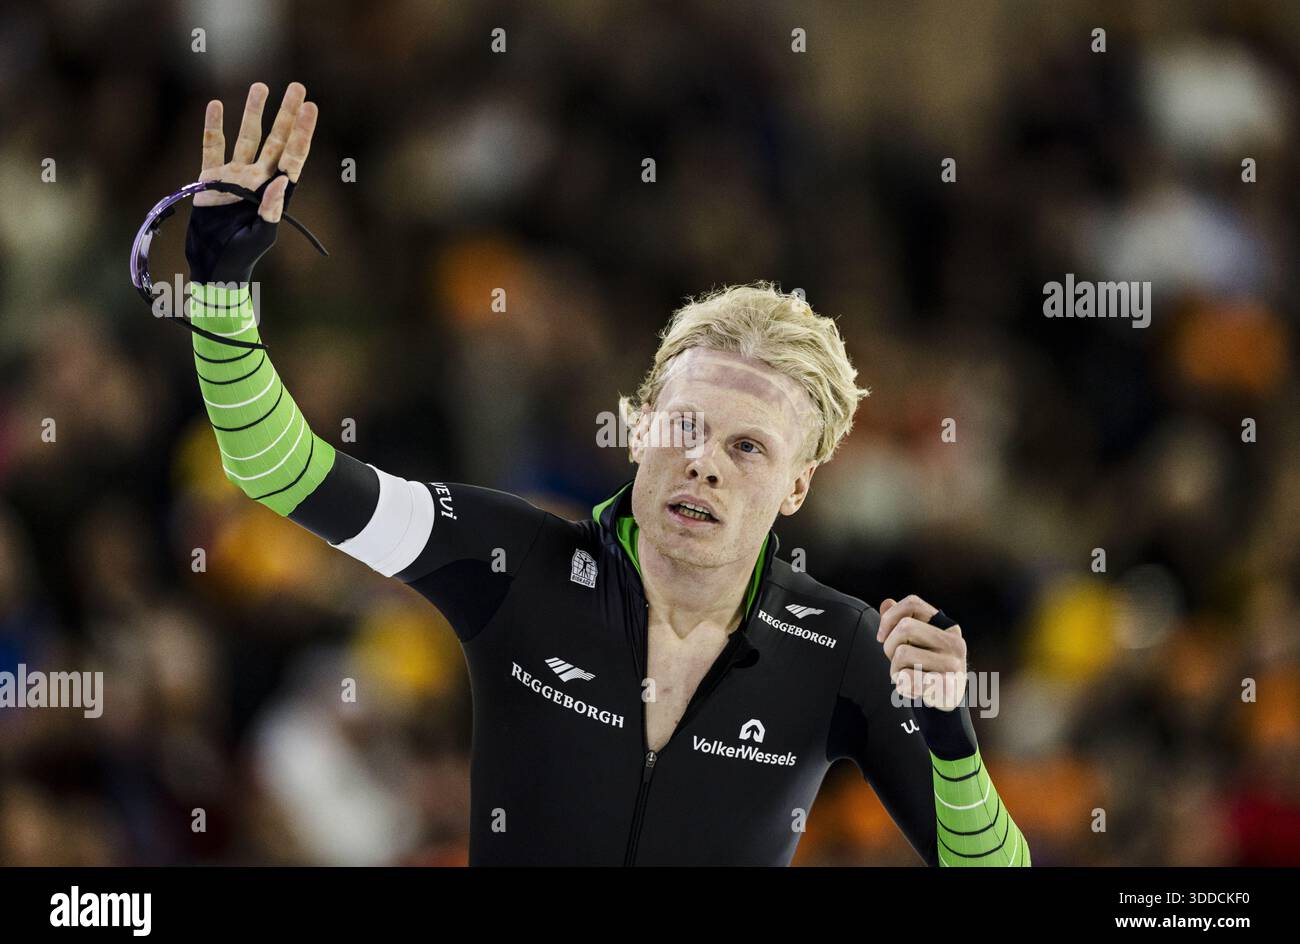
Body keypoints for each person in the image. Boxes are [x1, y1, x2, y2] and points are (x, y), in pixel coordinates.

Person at [181, 81, 1030, 866]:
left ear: (798, 487)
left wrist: (951, 744)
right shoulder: (512, 561)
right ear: (639, 431)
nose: (702, 462)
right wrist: (221, 291)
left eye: (747, 448)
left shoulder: (840, 649)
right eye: (686, 426)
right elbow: (283, 472)